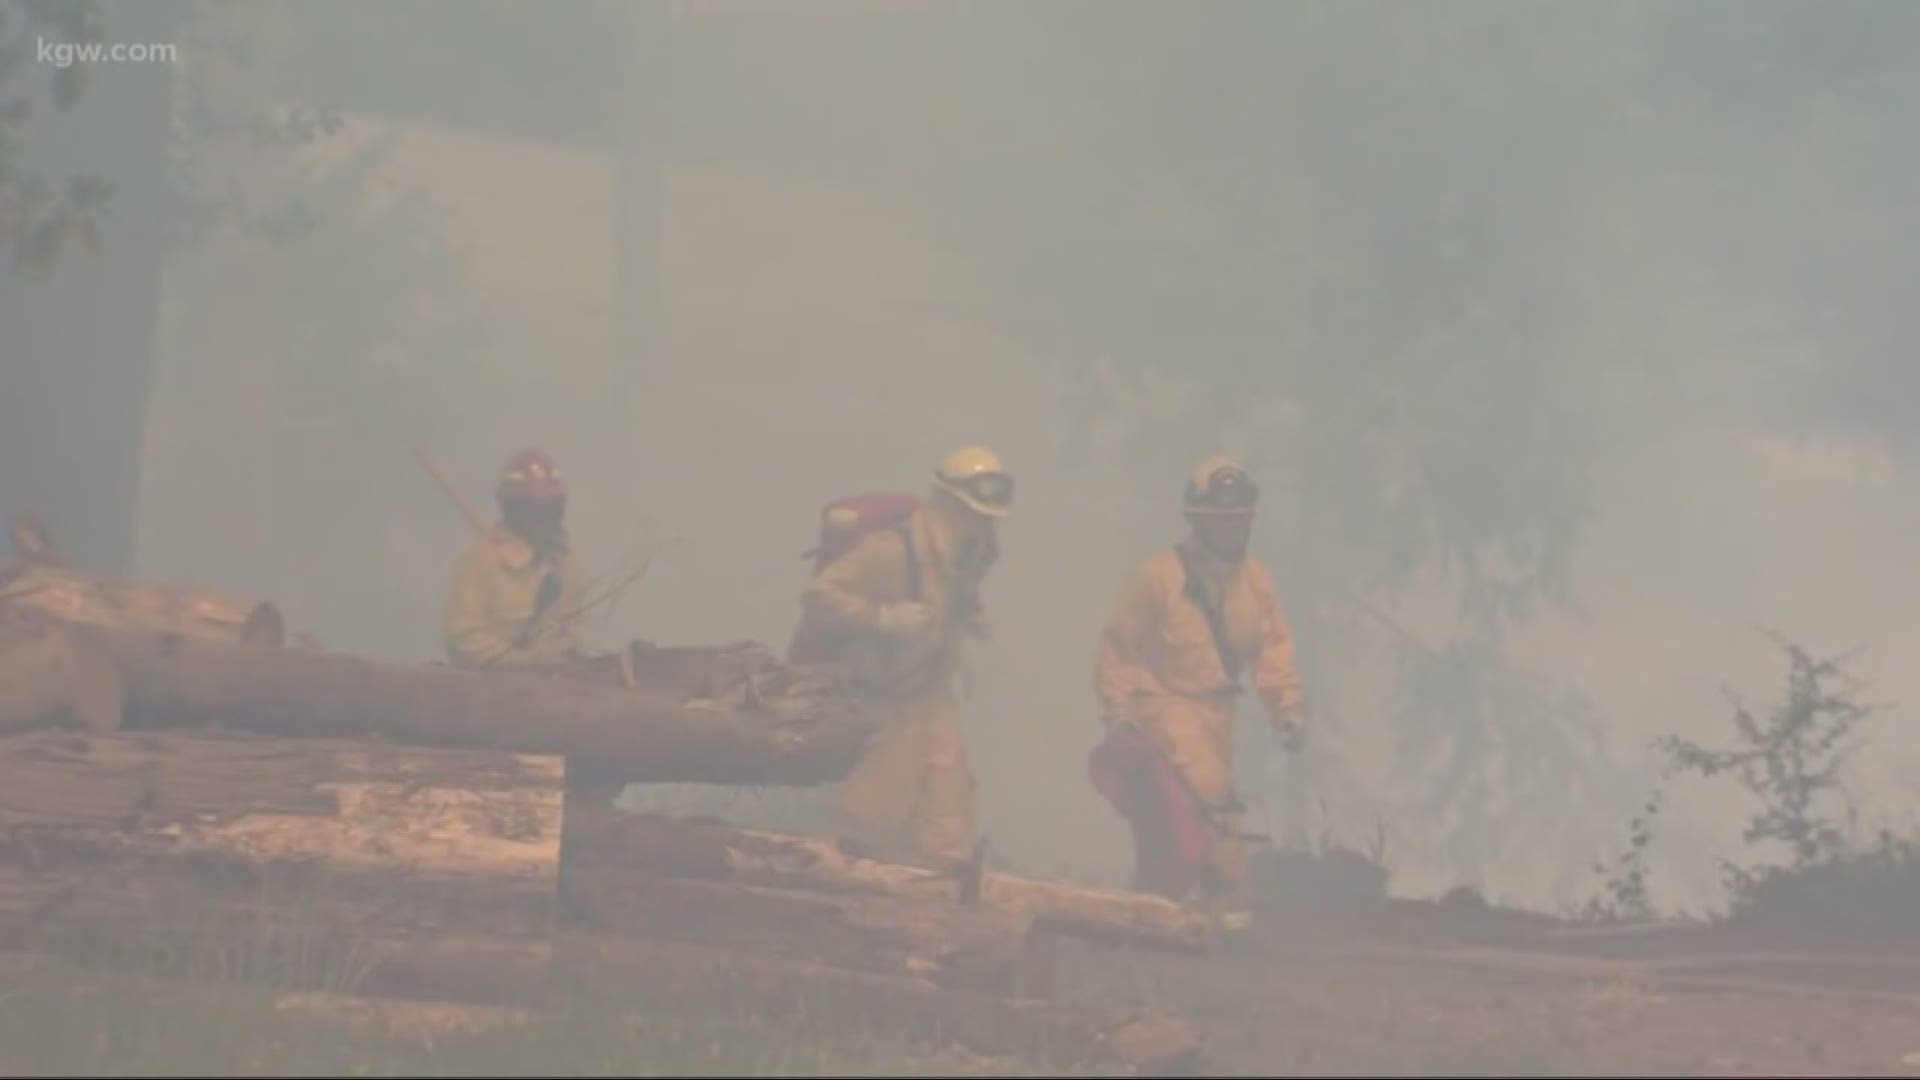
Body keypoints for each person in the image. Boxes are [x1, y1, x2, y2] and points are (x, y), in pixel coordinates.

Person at [1090, 455, 1306, 930]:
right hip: (1163, 705)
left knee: (1186, 824)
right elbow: (1120, 645)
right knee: (1214, 802)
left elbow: (1273, 647)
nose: (1233, 530)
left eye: (1240, 520)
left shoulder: (1255, 582)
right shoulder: (1159, 576)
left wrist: (1285, 706)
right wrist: (1116, 708)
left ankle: (1163, 910)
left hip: (1219, 713)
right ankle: (1228, 898)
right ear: (1198, 521)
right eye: (1222, 521)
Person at [799, 444, 1010, 866]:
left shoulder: (969, 552)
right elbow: (819, 594)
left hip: (931, 693)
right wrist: (881, 617)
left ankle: (940, 901)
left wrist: (971, 615)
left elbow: (953, 595)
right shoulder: (892, 550)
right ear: (949, 504)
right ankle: (828, 887)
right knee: (870, 817)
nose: (984, 525)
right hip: (881, 699)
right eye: (975, 513)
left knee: (948, 814)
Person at [442, 448, 588, 669]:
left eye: (549, 507)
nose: (542, 516)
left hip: (552, 684)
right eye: (534, 508)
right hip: (486, 687)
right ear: (513, 508)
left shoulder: (566, 560)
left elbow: (572, 628)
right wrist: (521, 662)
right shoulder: (483, 561)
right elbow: (462, 637)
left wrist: (559, 654)